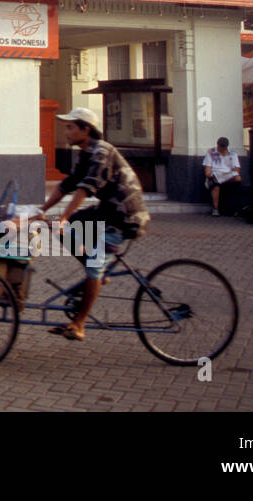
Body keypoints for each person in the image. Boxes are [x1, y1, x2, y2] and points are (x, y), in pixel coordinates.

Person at [28, 107, 150, 341]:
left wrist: (62, 217)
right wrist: (41, 211)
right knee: (65, 228)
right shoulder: (85, 154)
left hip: (125, 217)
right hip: (108, 210)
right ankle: (97, 275)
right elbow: (68, 185)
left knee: (92, 262)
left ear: (86, 129)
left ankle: (79, 324)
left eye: (71, 127)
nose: (66, 132)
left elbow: (85, 189)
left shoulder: (102, 152)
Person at [203, 137, 242, 216]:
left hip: (228, 175)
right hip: (215, 174)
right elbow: (207, 171)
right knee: (215, 185)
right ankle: (215, 208)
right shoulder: (211, 152)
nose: (222, 149)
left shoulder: (233, 153)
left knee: (238, 178)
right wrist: (210, 175)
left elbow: (237, 169)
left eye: (224, 147)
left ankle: (233, 207)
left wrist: (230, 174)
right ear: (217, 145)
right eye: (220, 147)